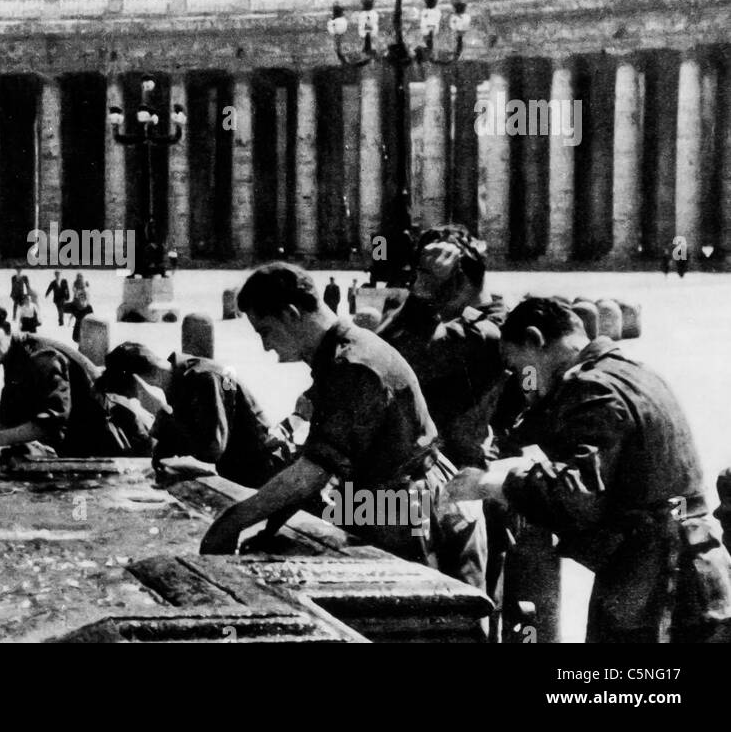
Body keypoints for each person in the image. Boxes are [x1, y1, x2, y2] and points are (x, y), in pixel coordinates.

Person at [447, 297, 731, 642]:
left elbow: (577, 495)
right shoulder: (628, 370)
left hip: (655, 585)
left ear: (536, 340)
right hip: (684, 569)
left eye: (522, 368)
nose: (525, 382)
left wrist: (498, 483)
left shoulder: (592, 386)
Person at [199, 263, 456, 568]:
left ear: (291, 315)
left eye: (265, 331)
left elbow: (313, 472)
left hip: (408, 507)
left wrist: (233, 520)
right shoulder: (339, 354)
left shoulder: (352, 366)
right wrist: (269, 527)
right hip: (388, 501)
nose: (266, 346)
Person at [376, 224, 508, 594]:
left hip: (456, 492)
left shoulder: (484, 332)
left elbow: (377, 360)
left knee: (459, 606)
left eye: (433, 281)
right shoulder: (479, 323)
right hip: (444, 489)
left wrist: (418, 296)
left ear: (460, 279)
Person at [0, 304, 138, 462]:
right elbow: (6, 422)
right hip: (75, 446)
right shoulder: (13, 357)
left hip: (106, 447)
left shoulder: (41, 357)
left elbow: (51, 422)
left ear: (7, 329)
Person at [101, 342, 299, 488]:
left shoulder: (205, 378)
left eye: (130, 394)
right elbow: (164, 450)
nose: (133, 400)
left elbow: (212, 448)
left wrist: (162, 413)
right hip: (240, 472)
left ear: (139, 381)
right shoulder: (179, 379)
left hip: (264, 473)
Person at [69, 273, 93, 344]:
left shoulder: (82, 286)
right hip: (79, 303)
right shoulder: (77, 283)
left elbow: (85, 294)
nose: (79, 278)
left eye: (80, 277)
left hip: (81, 305)